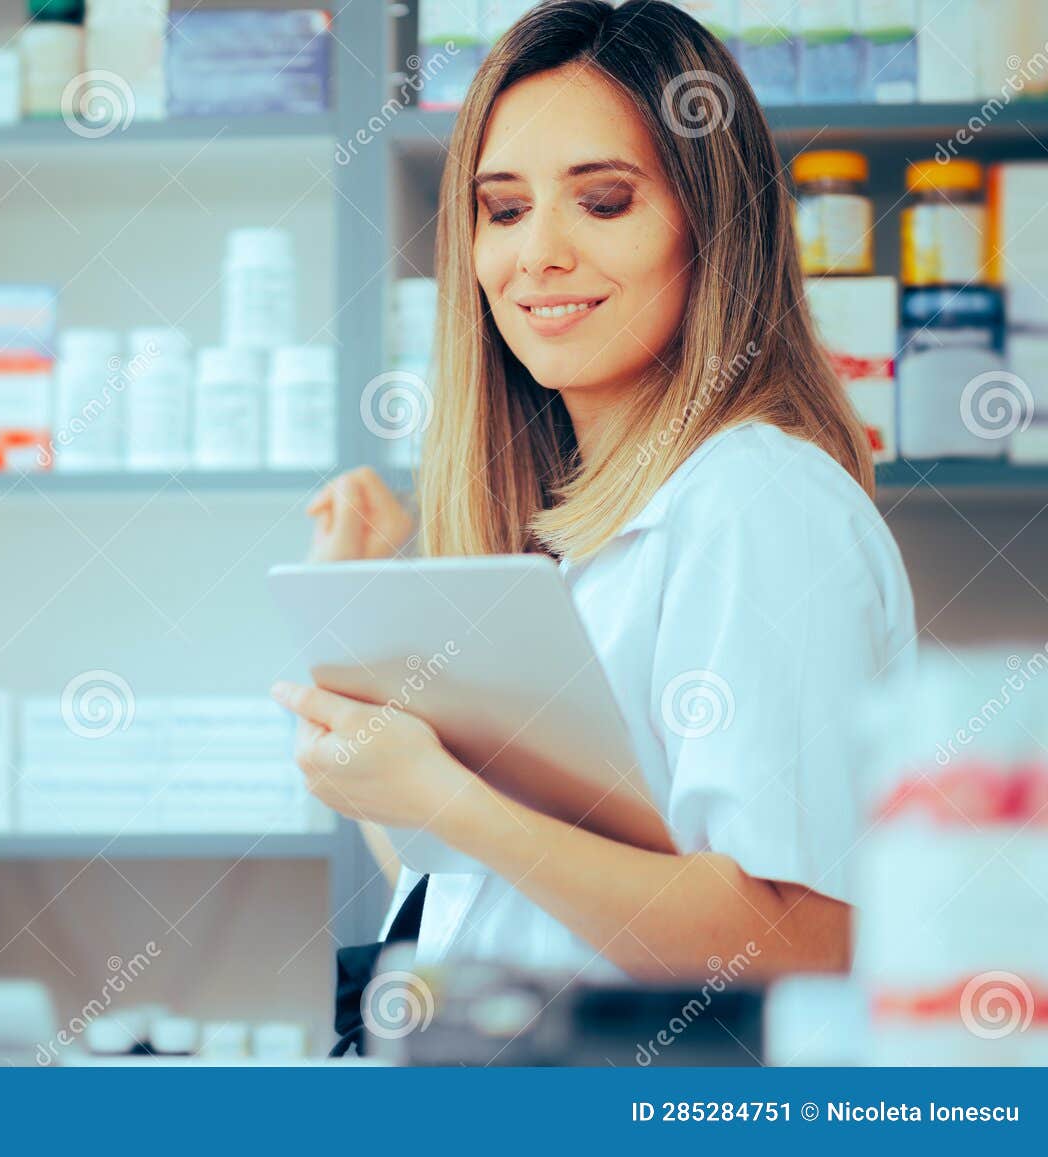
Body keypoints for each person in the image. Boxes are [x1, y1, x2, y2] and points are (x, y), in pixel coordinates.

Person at [268, 0, 916, 1050]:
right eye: (503, 209)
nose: (538, 255)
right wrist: (357, 684)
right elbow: (494, 897)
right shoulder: (563, 528)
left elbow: (802, 936)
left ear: (714, 224)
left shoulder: (755, 503)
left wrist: (449, 794)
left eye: (603, 202)